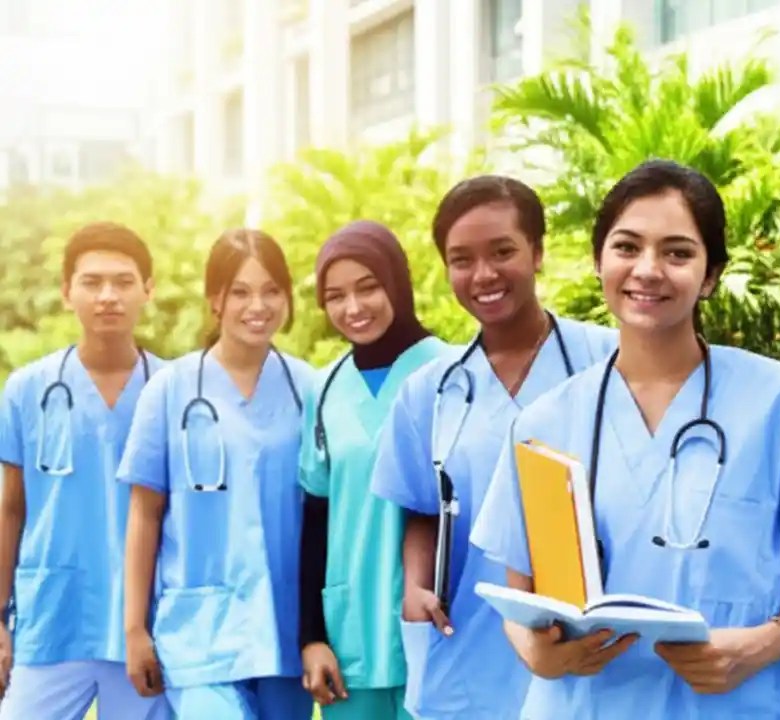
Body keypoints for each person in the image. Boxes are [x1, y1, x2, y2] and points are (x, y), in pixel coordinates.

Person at [471, 159, 780, 719]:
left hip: (734, 704)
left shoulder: (775, 399)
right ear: (599, 262)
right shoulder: (544, 423)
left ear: (711, 274)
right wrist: (538, 654)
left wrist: (768, 643)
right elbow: (520, 600)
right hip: (586, 705)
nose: (648, 270)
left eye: (677, 253)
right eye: (627, 247)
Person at [370, 175, 616, 719]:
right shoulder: (428, 392)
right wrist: (414, 585)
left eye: (502, 251)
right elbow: (420, 507)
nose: (483, 274)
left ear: (538, 253)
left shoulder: (610, 361)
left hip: (579, 639)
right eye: (462, 259)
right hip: (467, 645)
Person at [117, 229, 316, 719]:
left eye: (272, 290)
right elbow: (145, 513)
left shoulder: (308, 388)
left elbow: (323, 512)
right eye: (241, 292)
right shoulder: (169, 390)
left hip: (284, 631)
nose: (259, 305)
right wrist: (134, 629)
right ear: (215, 301)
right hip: (199, 630)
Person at [0, 223, 169, 720]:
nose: (108, 296)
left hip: (144, 629)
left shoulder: (172, 389)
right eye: (92, 282)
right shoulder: (27, 389)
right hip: (52, 620)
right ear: (66, 293)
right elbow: (10, 509)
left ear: (148, 290)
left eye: (123, 281)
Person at [296, 220, 448, 719]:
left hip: (437, 626)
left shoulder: (450, 372)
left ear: (396, 285)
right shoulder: (325, 389)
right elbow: (315, 519)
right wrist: (312, 637)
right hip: (350, 638)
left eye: (368, 287)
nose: (353, 308)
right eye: (336, 296)